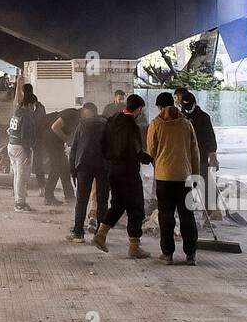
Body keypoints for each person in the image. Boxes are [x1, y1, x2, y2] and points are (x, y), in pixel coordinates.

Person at [92, 94, 151, 258]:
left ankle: (101, 235)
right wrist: (150, 159)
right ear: (139, 109)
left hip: (113, 170)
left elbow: (102, 143)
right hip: (129, 172)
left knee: (118, 204)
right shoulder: (131, 125)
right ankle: (134, 247)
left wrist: (110, 161)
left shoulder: (110, 121)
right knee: (136, 207)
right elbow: (136, 150)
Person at [148, 92, 201, 265]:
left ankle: (168, 254)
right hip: (185, 176)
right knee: (187, 216)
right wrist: (195, 175)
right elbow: (195, 153)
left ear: (160, 107)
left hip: (164, 177)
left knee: (166, 216)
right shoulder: (186, 124)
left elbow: (151, 151)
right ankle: (190, 255)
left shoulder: (156, 124)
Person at [66, 102, 109, 243]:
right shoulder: (107, 124)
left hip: (84, 165)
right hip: (103, 166)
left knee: (82, 199)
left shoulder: (82, 124)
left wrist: (72, 170)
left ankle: (78, 233)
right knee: (102, 201)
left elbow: (74, 148)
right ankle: (99, 235)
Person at [179, 90, 219, 216]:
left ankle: (209, 213)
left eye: (189, 106)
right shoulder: (179, 118)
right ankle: (185, 213)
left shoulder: (203, 117)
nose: (187, 109)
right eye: (184, 106)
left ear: (194, 103)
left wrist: (213, 155)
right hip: (184, 158)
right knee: (184, 187)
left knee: (207, 186)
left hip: (201, 157)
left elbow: (210, 137)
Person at [7, 92, 39, 212]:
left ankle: (19, 200)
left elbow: (10, 130)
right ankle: (20, 203)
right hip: (21, 148)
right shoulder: (26, 116)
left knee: (17, 175)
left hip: (12, 146)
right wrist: (28, 152)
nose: (34, 108)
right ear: (30, 104)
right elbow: (25, 135)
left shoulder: (16, 112)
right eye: (33, 105)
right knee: (22, 176)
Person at [43, 105, 78, 206]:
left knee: (63, 168)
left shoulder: (76, 117)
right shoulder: (73, 114)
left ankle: (69, 196)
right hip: (51, 141)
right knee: (57, 168)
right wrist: (66, 139)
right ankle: (48, 197)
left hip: (55, 142)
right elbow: (55, 127)